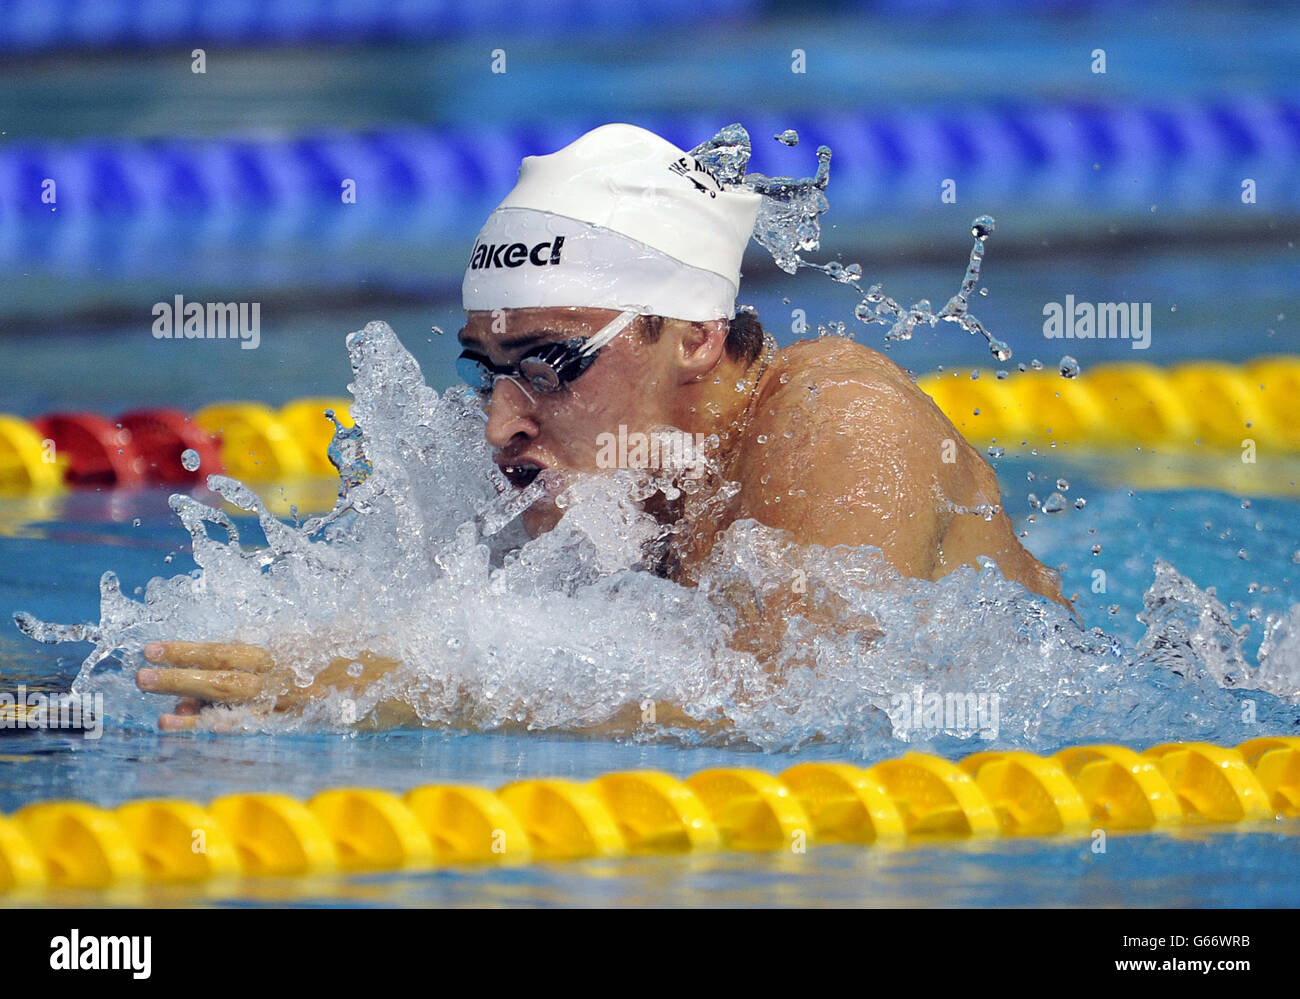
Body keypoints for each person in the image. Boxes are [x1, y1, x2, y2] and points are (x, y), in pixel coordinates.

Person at [137, 124, 1067, 731]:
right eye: (489, 371)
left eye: (552, 365)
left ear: (696, 336)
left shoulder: (840, 421)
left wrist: (389, 684)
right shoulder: (590, 474)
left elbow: (795, 714)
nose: (503, 423)